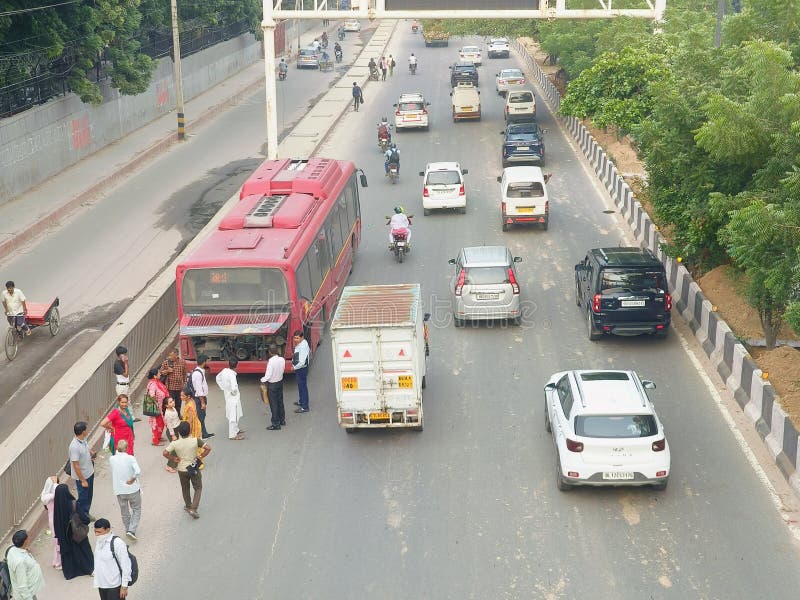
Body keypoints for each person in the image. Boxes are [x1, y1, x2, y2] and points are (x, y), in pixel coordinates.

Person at [163, 421, 211, 519]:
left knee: (185, 488)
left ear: (179, 432)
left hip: (181, 469)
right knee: (198, 488)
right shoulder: (195, 440)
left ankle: (188, 506)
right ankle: (194, 508)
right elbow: (208, 448)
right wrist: (200, 456)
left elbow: (165, 453)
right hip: (193, 467)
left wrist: (173, 459)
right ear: (190, 431)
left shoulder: (175, 443)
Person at [52, 483, 93, 580]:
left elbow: (56, 524)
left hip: (64, 537)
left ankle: (70, 573)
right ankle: (88, 569)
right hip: (76, 533)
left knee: (69, 554)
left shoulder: (57, 508)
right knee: (83, 550)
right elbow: (84, 518)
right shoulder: (73, 504)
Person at [109, 439, 142, 541]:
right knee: (136, 509)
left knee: (124, 512)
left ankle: (128, 529)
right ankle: (131, 530)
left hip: (119, 490)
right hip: (132, 489)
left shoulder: (112, 459)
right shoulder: (131, 458)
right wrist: (132, 479)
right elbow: (138, 471)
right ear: (126, 448)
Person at [92, 518, 132, 599]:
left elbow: (126, 566)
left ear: (108, 530)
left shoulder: (118, 543)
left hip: (114, 587)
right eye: (95, 532)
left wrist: (124, 587)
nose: (96, 534)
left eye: (99, 532)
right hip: (102, 585)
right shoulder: (99, 541)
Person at [6, 530, 45, 600]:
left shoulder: (12, 550)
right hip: (26, 595)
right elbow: (22, 586)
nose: (29, 539)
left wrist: (25, 550)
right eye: (28, 538)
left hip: (29, 591)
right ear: (25, 542)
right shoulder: (20, 562)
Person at [69, 421, 96, 518]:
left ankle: (86, 513)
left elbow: (86, 447)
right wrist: (83, 480)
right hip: (83, 476)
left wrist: (91, 453)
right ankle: (81, 516)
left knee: (89, 495)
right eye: (86, 429)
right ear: (83, 431)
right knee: (83, 498)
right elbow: (75, 465)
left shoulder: (83, 440)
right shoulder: (74, 447)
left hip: (89, 472)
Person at [216, 357, 245, 440]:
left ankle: (236, 429)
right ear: (236, 366)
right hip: (233, 398)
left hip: (228, 396)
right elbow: (234, 387)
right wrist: (233, 392)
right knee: (233, 415)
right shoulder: (232, 375)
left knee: (235, 414)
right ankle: (232, 435)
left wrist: (224, 388)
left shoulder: (224, 371)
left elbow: (218, 378)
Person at [261, 345, 286, 430]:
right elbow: (282, 370)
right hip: (280, 382)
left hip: (272, 385)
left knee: (273, 404)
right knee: (280, 402)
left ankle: (276, 424)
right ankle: (282, 420)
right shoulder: (282, 359)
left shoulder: (271, 362)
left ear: (269, 352)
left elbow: (268, 375)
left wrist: (262, 380)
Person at [40, 475, 61, 569]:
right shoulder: (53, 495)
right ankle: (57, 562)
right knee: (57, 540)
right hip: (56, 519)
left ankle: (56, 560)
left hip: (52, 519)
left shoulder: (45, 495)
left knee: (55, 540)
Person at [191, 355, 213, 439]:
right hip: (199, 399)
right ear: (204, 362)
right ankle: (198, 435)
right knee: (200, 416)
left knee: (202, 416)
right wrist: (202, 402)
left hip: (200, 398)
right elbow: (199, 390)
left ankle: (204, 433)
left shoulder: (199, 371)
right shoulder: (198, 374)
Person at [160, 349, 188, 415]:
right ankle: (170, 415)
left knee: (178, 403)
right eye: (169, 355)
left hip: (179, 387)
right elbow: (160, 372)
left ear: (176, 355)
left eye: (171, 355)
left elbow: (185, 373)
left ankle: (178, 414)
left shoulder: (182, 362)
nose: (170, 357)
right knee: (170, 403)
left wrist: (185, 382)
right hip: (170, 388)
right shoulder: (166, 362)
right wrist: (167, 371)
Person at [145, 368, 168, 445]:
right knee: (156, 423)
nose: (160, 374)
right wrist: (156, 403)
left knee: (160, 422)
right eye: (158, 373)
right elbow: (152, 395)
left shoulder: (156, 382)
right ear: (155, 376)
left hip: (159, 407)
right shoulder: (153, 384)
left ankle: (158, 436)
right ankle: (155, 441)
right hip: (156, 407)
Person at [292, 330, 310, 413]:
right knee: (300, 386)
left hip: (301, 369)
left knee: (302, 387)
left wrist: (294, 367)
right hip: (300, 368)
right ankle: (301, 401)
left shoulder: (303, 346)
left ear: (302, 337)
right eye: (295, 338)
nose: (296, 340)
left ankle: (304, 407)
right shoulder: (302, 343)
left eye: (297, 338)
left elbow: (302, 362)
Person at [162, 396, 181, 472]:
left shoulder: (173, 408)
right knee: (175, 449)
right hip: (172, 431)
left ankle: (176, 461)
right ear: (166, 405)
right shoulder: (168, 414)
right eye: (170, 402)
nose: (173, 402)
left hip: (177, 429)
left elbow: (176, 419)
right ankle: (169, 465)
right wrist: (173, 435)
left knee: (177, 447)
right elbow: (169, 425)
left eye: (173, 400)